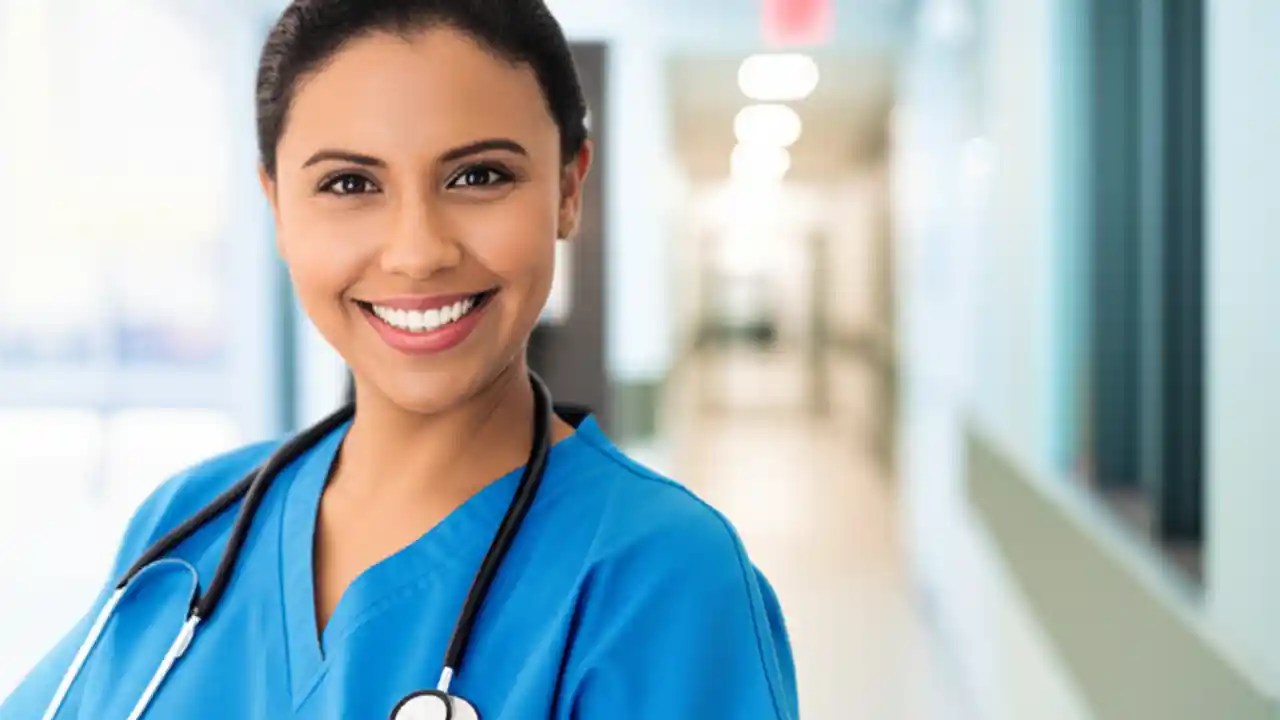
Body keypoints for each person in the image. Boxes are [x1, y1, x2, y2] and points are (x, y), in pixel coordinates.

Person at [1, 1, 798, 717]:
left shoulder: (663, 579)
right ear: (278, 206)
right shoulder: (188, 527)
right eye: (349, 184)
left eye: (479, 176)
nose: (417, 253)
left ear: (566, 189)